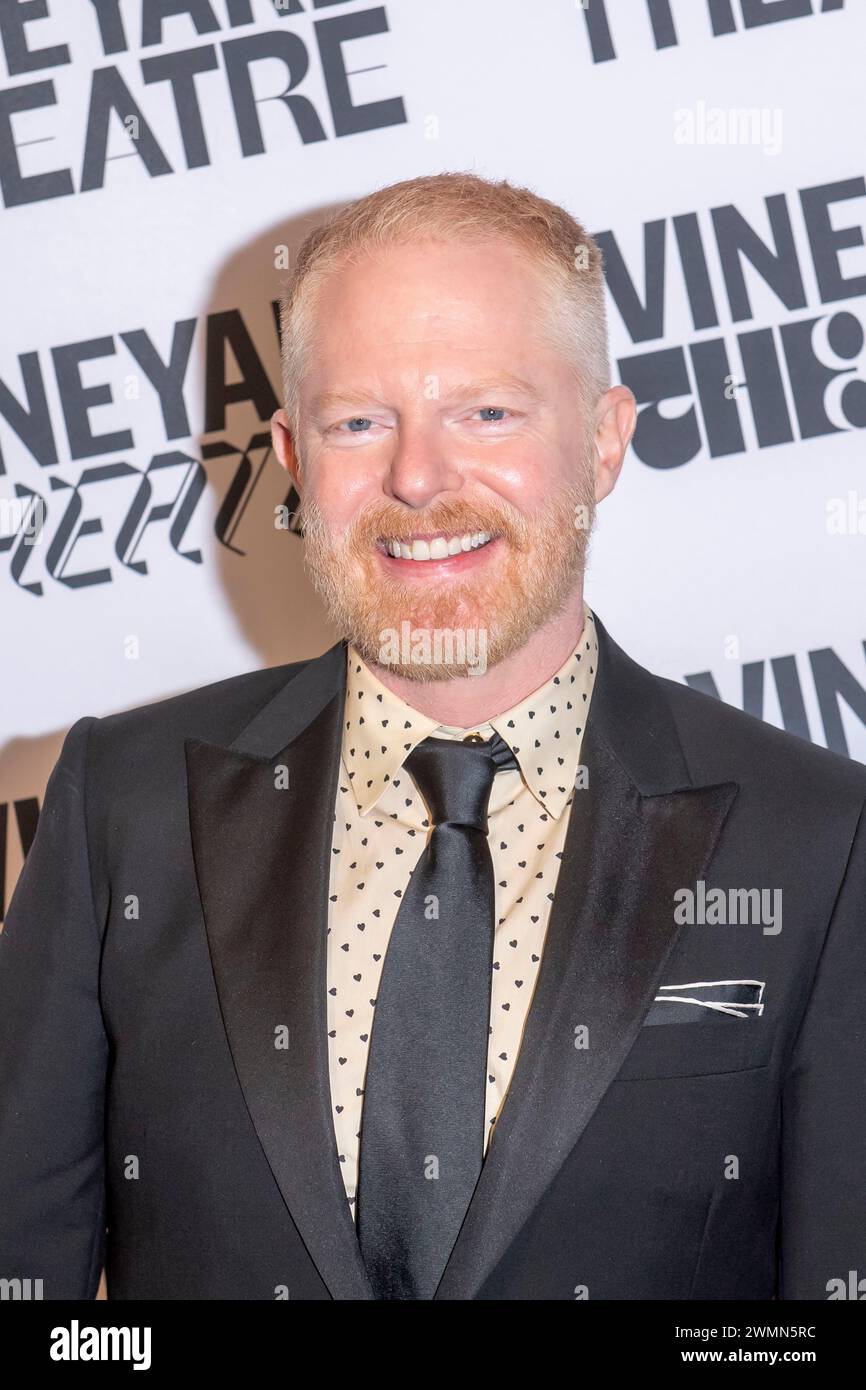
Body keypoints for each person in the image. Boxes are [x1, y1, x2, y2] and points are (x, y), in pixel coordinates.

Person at [1, 172, 864, 1301]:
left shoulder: (816, 839)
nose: (416, 478)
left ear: (602, 443)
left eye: (486, 412)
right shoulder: (122, 803)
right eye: (358, 422)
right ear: (296, 460)